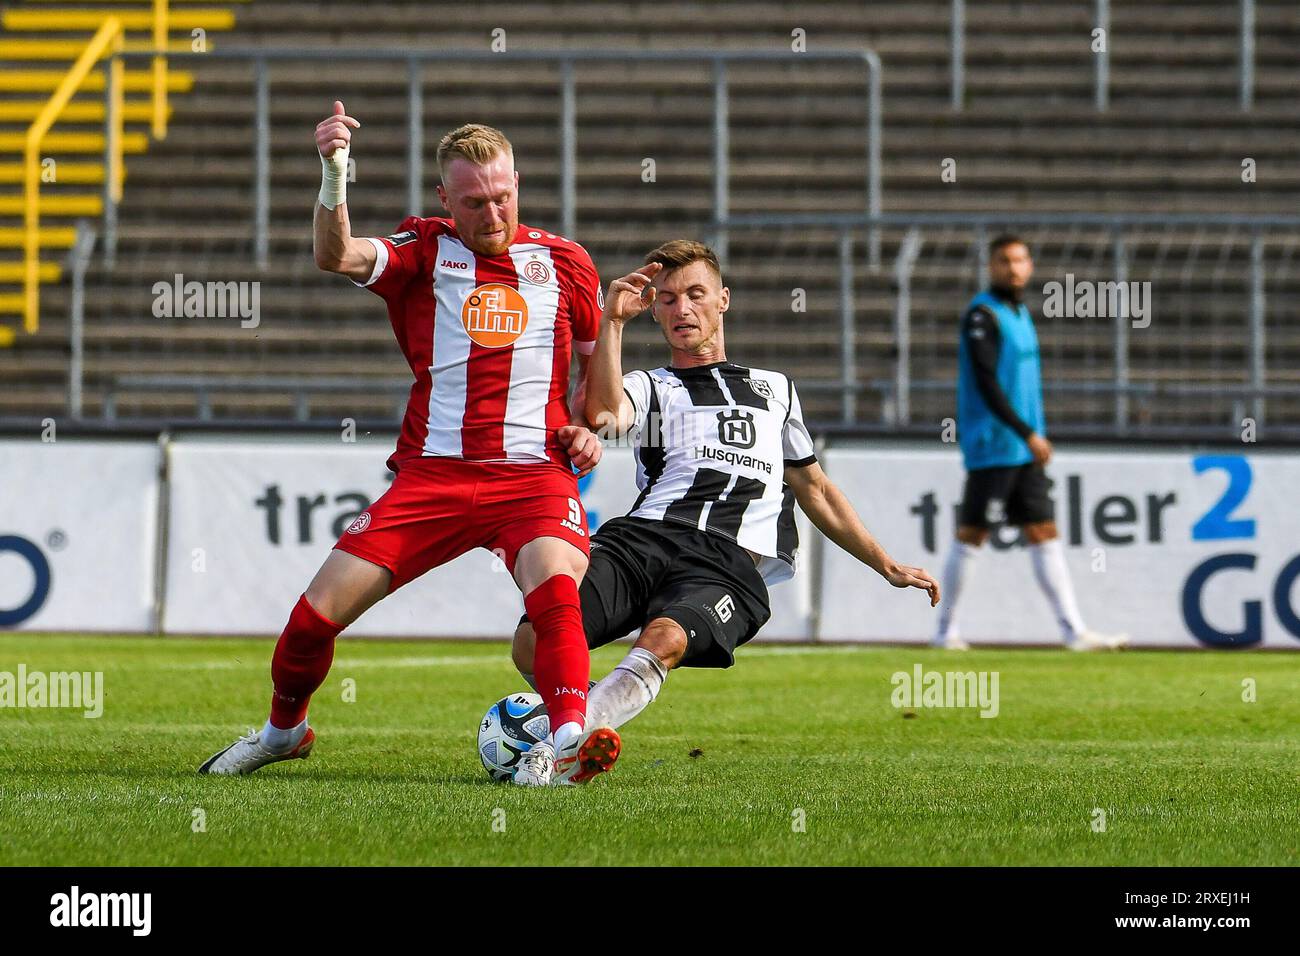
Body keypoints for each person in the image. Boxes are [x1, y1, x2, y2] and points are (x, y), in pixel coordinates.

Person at [200, 107, 604, 782]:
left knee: (555, 597)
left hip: (533, 478)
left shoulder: (566, 263)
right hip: (432, 480)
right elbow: (334, 254)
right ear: (446, 200)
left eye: (503, 197)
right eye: (474, 202)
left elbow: (596, 374)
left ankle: (568, 741)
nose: (492, 214)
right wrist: (334, 172)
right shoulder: (424, 249)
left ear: (518, 185)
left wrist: (591, 427)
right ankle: (283, 731)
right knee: (311, 621)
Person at [510, 239, 940, 785]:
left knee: (664, 638)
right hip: (644, 538)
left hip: (726, 561)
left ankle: (562, 748)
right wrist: (612, 324)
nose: (681, 309)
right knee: (531, 640)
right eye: (666, 299)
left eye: (695, 294)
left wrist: (886, 565)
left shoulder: (775, 390)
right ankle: (564, 735)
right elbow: (603, 413)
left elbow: (815, 488)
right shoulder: (653, 386)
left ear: (723, 300)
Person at [931, 234, 1127, 651]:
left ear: (1030, 266)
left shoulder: (1018, 313)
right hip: (994, 445)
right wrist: (1027, 432)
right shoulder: (983, 315)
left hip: (1023, 448)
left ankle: (1074, 632)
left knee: (1043, 530)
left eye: (1020, 260)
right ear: (991, 267)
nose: (1014, 268)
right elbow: (986, 383)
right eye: (1005, 261)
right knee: (973, 534)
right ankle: (944, 631)